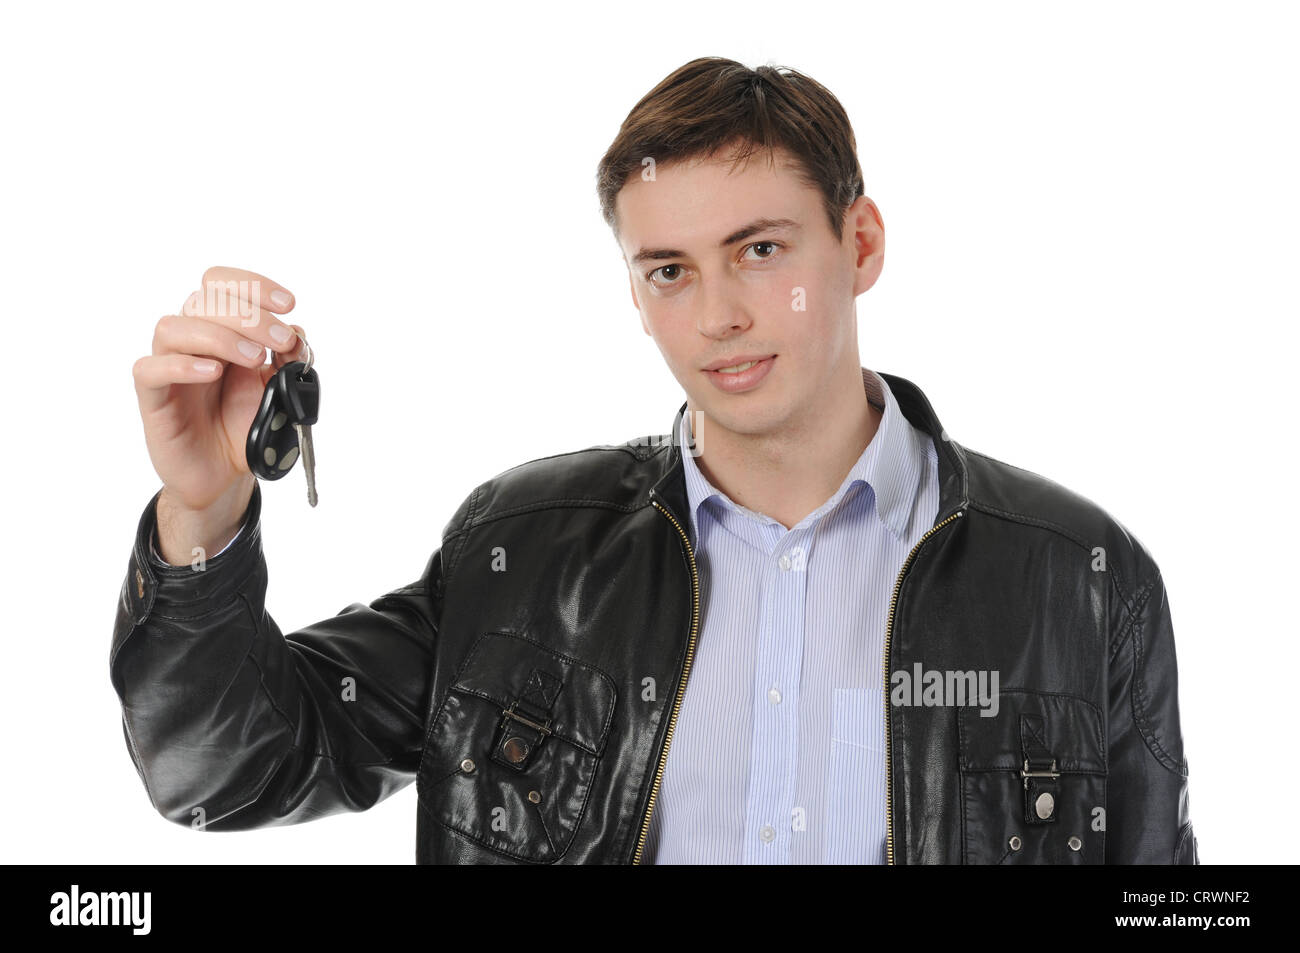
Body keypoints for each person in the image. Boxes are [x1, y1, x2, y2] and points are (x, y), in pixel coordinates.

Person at [112, 56, 1197, 864]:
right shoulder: (521, 555)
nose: (718, 314)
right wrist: (202, 510)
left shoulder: (1078, 578)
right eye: (669, 270)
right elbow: (224, 771)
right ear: (635, 294)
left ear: (858, 243)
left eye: (760, 251)